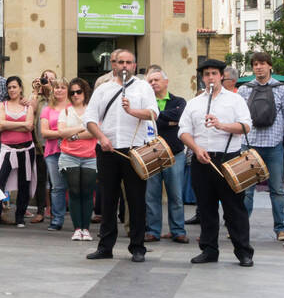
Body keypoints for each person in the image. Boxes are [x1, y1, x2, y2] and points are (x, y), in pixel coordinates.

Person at [178, 59, 254, 266]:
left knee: (234, 208)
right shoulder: (194, 103)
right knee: (206, 207)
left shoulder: (235, 100)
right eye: (206, 74)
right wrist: (196, 149)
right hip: (202, 158)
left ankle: (244, 252)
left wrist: (222, 125)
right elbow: (183, 131)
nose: (210, 77)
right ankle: (209, 250)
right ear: (202, 78)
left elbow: (246, 126)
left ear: (221, 76)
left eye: (214, 74)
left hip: (228, 157)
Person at [84, 49, 157, 262]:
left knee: (136, 200)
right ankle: (105, 246)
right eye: (120, 62)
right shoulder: (103, 89)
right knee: (108, 200)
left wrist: (133, 111)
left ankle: (137, 247)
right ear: (114, 65)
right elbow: (89, 118)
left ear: (134, 66)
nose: (124, 66)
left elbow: (154, 113)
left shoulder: (143, 87)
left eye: (129, 62)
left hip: (135, 150)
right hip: (108, 150)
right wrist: (101, 138)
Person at [238, 51, 284, 241]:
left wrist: (278, 135)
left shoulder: (283, 89)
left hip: (273, 146)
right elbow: (241, 116)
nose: (259, 67)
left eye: (262, 63)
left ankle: (281, 229)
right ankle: (240, 227)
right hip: (249, 145)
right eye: (255, 64)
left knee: (277, 189)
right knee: (246, 190)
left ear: (270, 65)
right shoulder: (245, 89)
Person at [144, 66, 187, 244]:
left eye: (156, 80)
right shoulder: (145, 103)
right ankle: (153, 230)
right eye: (150, 81)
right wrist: (168, 120)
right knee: (151, 195)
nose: (153, 83)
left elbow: (179, 117)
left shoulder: (180, 101)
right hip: (151, 154)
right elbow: (167, 120)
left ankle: (178, 230)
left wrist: (157, 117)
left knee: (175, 194)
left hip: (174, 154)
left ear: (166, 81)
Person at [0, 75, 37, 227]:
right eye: (9, 87)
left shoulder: (28, 106)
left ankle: (20, 218)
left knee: (24, 183)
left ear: (20, 88)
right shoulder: (2, 105)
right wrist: (20, 124)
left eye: (14, 87)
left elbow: (29, 126)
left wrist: (6, 125)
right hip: (7, 149)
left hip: (26, 148)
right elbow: (0, 123)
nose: (12, 90)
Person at [57, 78, 97, 240]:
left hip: (90, 157)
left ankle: (86, 229)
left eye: (78, 91)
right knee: (73, 192)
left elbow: (94, 132)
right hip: (69, 156)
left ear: (85, 92)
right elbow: (61, 132)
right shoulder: (65, 111)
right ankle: (77, 228)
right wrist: (83, 127)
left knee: (87, 192)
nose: (75, 95)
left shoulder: (92, 110)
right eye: (72, 92)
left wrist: (72, 133)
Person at [39, 75, 71, 231]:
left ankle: (79, 221)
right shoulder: (47, 109)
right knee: (57, 187)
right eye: (57, 87)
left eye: (63, 87)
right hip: (52, 152)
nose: (59, 90)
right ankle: (57, 219)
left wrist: (57, 132)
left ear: (68, 90)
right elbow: (44, 133)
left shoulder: (73, 107)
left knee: (75, 186)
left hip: (73, 152)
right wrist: (65, 132)